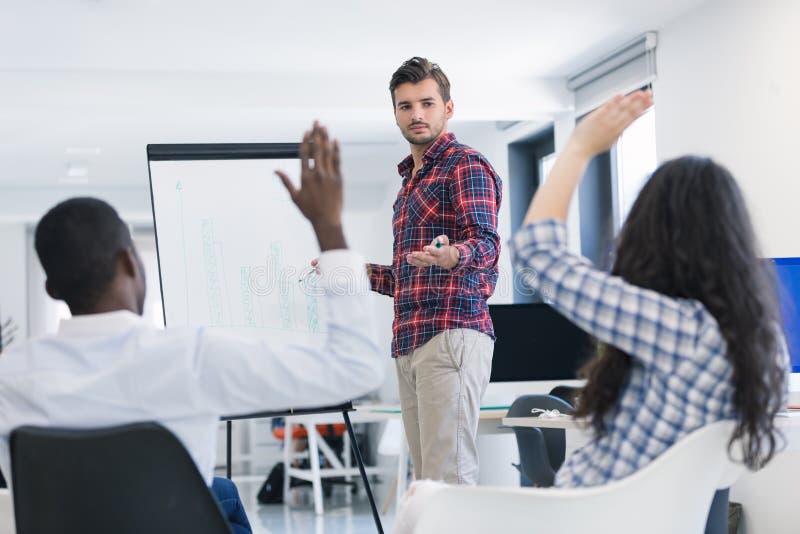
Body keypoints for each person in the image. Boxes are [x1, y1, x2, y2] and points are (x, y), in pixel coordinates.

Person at [394, 90, 788, 530]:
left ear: (651, 231)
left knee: (426, 499)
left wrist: (579, 147)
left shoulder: (667, 323)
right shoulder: (765, 349)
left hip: (583, 522)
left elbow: (538, 253)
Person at [0, 122, 384, 533]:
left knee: (222, 493)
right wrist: (329, 228)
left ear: (52, 289)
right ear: (131, 263)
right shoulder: (193, 356)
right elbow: (355, 368)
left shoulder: (11, 377)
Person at [367, 57, 502, 485]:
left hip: (451, 335)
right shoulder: (408, 185)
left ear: (448, 107)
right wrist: (353, 271)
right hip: (410, 342)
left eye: (426, 103)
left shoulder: (465, 164)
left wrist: (454, 254)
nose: (416, 114)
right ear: (395, 114)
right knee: (427, 486)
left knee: (450, 481)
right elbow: (405, 277)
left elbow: (485, 242)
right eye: (405, 106)